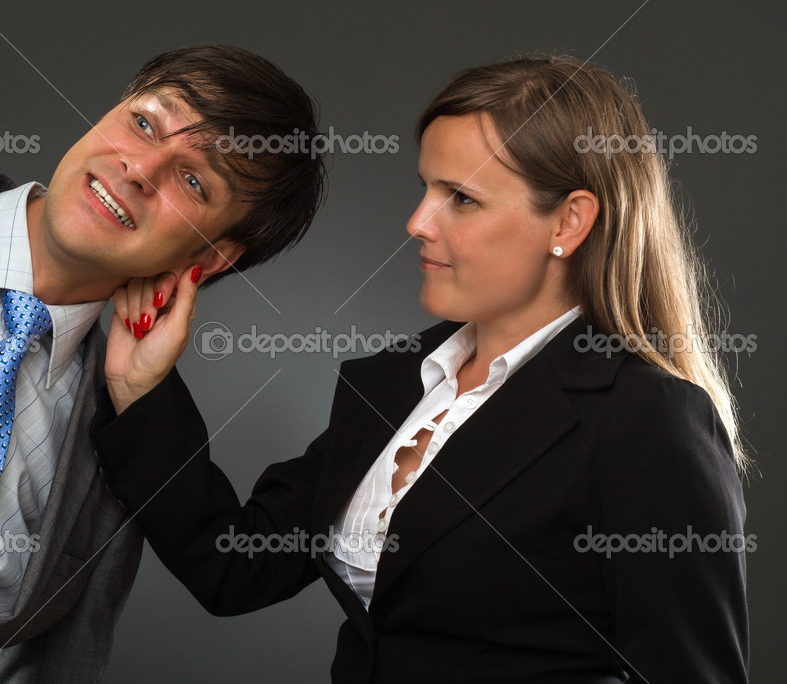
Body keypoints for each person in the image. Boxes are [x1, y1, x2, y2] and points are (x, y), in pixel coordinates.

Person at [92, 56, 750, 682]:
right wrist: (141, 387)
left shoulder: (646, 421)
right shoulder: (393, 384)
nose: (416, 223)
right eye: (425, 189)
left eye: (461, 198)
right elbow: (234, 567)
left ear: (570, 222)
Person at [0, 44, 325, 682]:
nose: (139, 166)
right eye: (145, 123)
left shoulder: (125, 442)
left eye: (193, 181)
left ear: (212, 258)